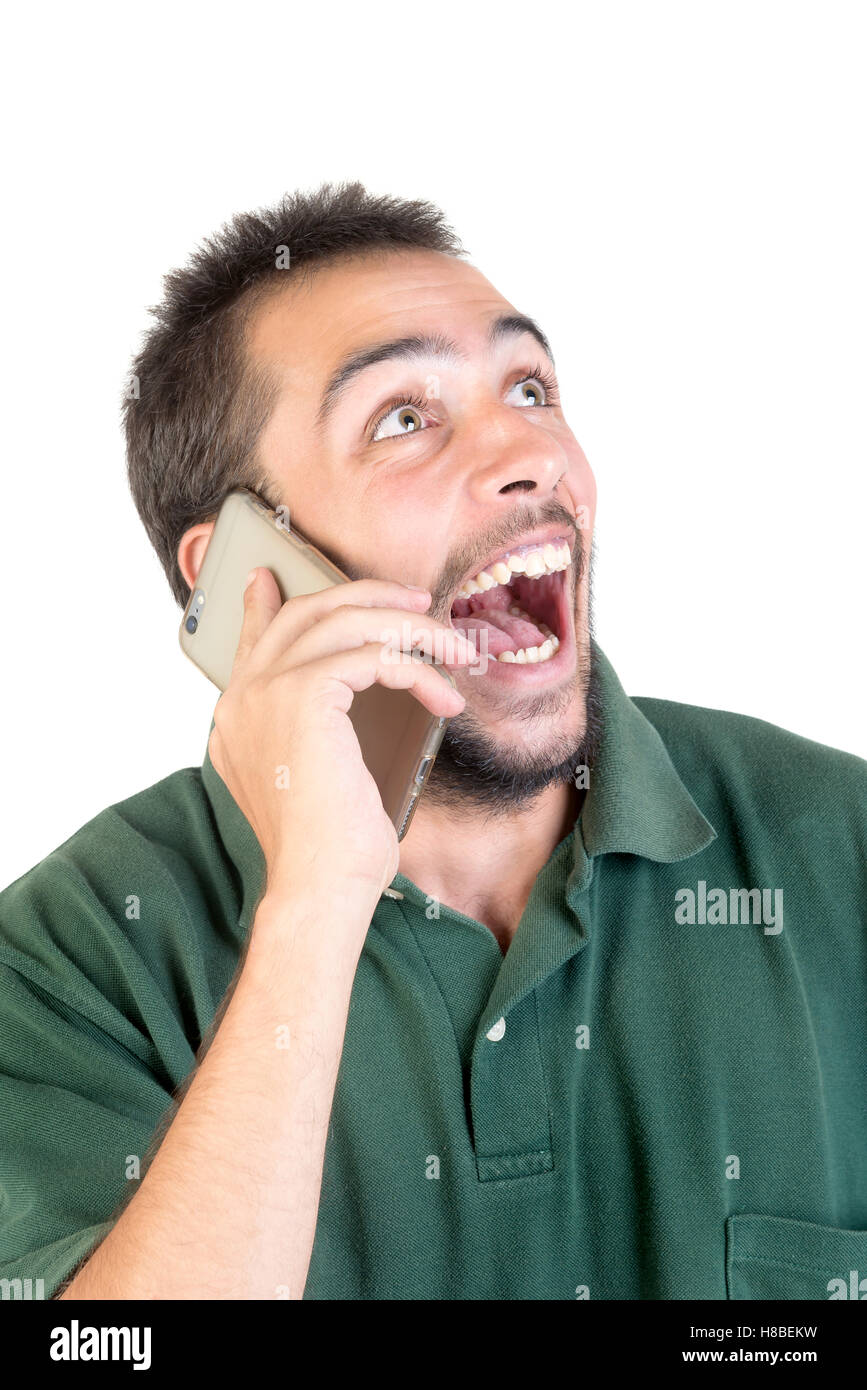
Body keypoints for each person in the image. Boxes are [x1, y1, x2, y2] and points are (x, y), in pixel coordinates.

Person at [1, 182, 864, 1302]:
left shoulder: (840, 852)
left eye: (531, 387)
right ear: (243, 577)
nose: (530, 453)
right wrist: (315, 903)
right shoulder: (66, 966)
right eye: (404, 416)